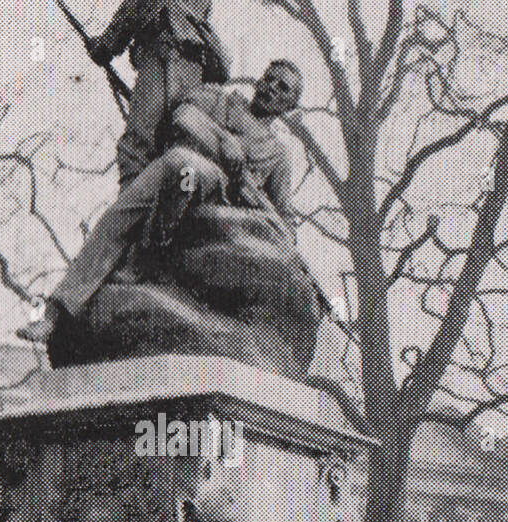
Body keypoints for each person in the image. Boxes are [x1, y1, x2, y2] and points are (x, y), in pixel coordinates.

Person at [26, 60, 304, 335]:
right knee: (119, 215)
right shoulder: (218, 99)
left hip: (216, 192)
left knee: (186, 166)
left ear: (290, 106)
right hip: (172, 168)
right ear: (259, 80)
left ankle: (151, 253)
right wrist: (223, 142)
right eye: (269, 79)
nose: (272, 88)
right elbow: (183, 117)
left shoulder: (276, 153)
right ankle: (55, 313)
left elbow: (283, 215)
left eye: (283, 88)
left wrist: (278, 226)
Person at [86, 0, 229, 187]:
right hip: (183, 64)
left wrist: (110, 43)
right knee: (173, 160)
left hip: (169, 60)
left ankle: (129, 234)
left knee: (137, 153)